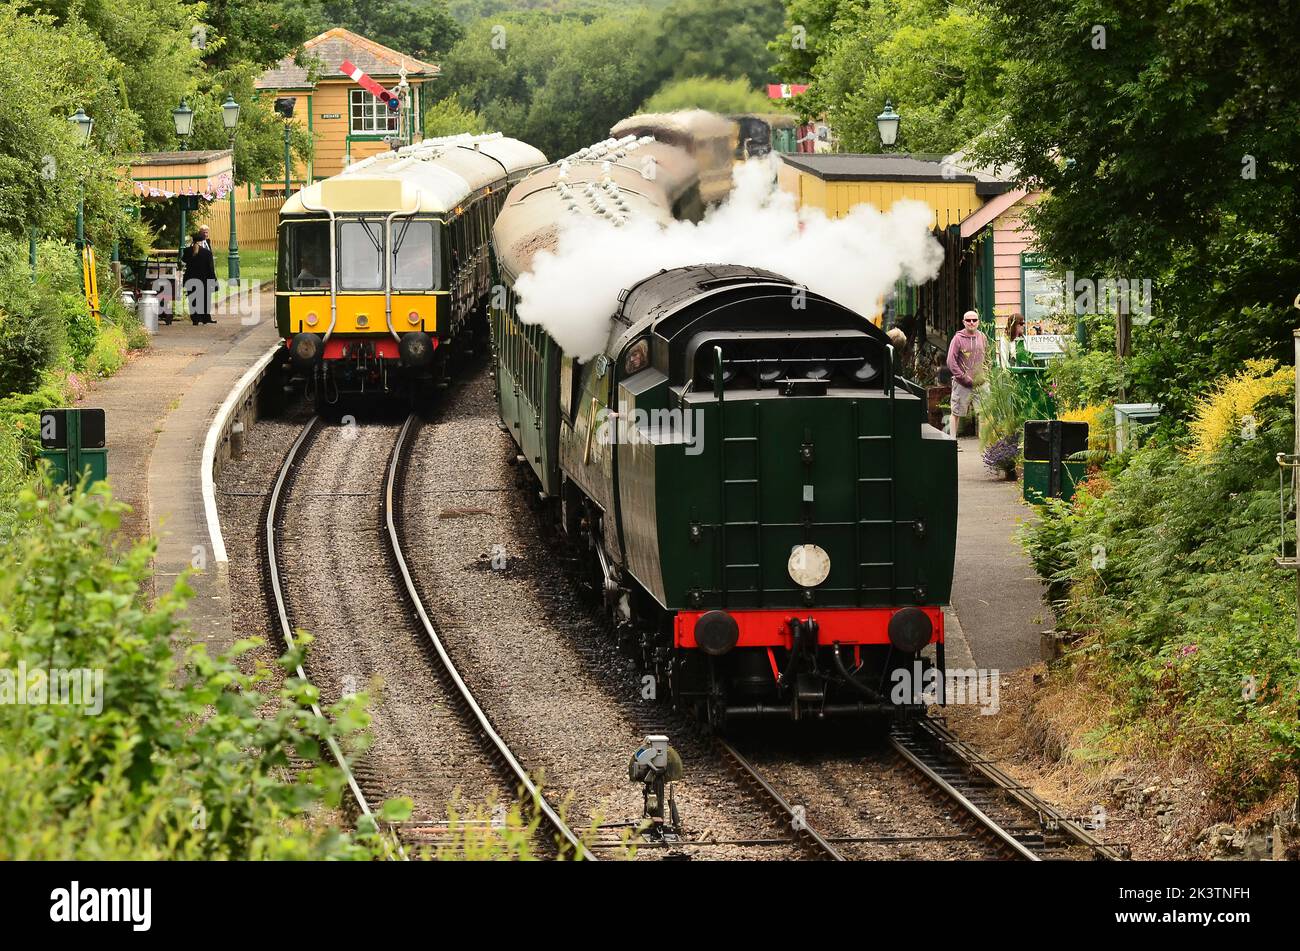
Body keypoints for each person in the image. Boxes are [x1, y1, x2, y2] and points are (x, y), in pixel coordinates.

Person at [946, 310, 987, 438]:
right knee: (956, 412)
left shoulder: (982, 337)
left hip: (981, 383)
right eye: (968, 320)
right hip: (961, 383)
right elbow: (950, 361)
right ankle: (952, 441)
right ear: (963, 322)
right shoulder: (957, 338)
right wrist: (963, 377)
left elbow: (988, 358)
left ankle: (984, 443)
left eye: (974, 320)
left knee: (984, 413)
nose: (971, 322)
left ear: (978, 322)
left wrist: (986, 375)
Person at [182, 225, 217, 325]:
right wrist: (213, 280)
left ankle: (195, 319)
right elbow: (210, 268)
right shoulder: (207, 253)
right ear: (202, 242)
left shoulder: (187, 251)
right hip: (204, 278)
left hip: (190, 278)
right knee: (205, 298)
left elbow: (183, 260)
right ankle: (205, 318)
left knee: (193, 299)